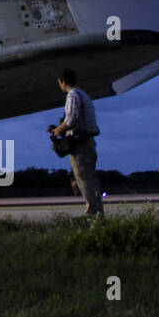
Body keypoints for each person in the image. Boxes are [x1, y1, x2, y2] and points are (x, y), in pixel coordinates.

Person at [51, 69, 103, 216]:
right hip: (89, 141)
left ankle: (92, 211)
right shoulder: (83, 95)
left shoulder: (72, 96)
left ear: (63, 82)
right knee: (91, 177)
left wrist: (58, 131)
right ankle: (98, 211)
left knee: (83, 177)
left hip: (81, 143)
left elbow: (71, 120)